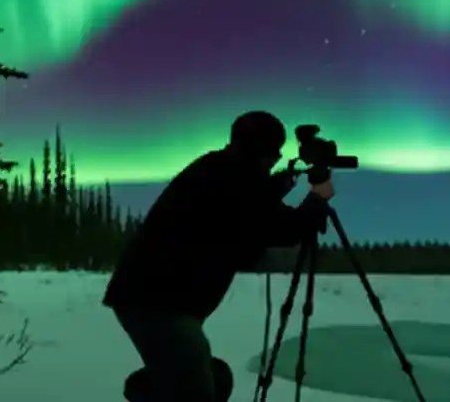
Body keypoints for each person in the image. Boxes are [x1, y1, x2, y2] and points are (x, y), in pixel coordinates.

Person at [104, 110, 335, 402]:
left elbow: (244, 205)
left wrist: (279, 184)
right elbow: (282, 228)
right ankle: (149, 391)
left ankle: (155, 388)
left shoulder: (219, 167)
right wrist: (317, 198)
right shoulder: (235, 179)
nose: (275, 159)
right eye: (272, 154)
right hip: (158, 304)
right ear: (258, 152)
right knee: (196, 389)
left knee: (200, 376)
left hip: (151, 297)